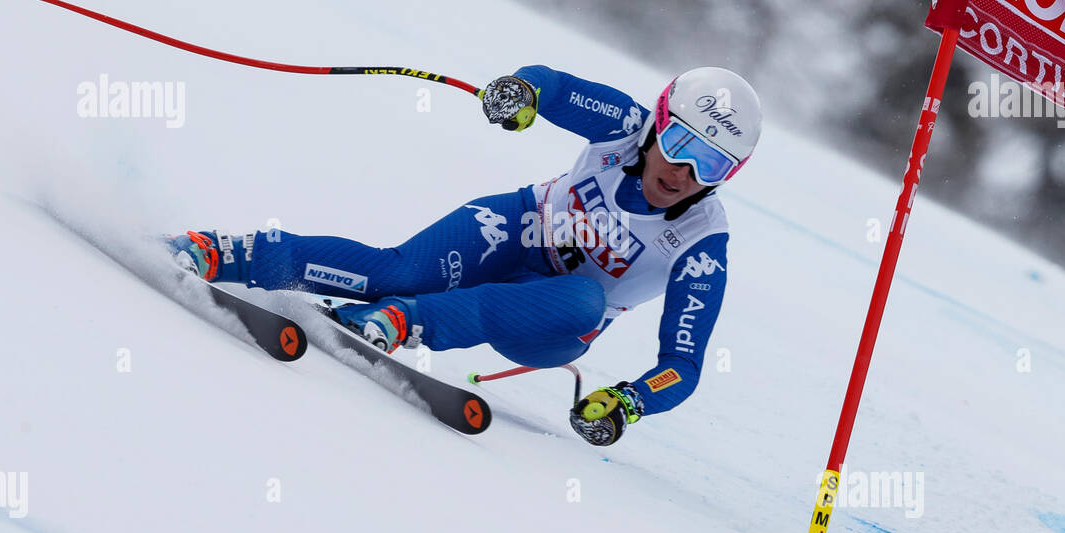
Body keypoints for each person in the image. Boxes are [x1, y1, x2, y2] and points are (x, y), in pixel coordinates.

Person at [169, 65, 761, 446]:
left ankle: (402, 321)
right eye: (680, 144)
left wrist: (629, 403)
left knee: (584, 295)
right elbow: (548, 86)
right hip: (521, 227)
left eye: (710, 165)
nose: (683, 173)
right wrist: (518, 94)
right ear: (658, 125)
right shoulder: (626, 126)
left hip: (552, 321)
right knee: (397, 270)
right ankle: (225, 254)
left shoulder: (703, 242)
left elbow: (683, 365)